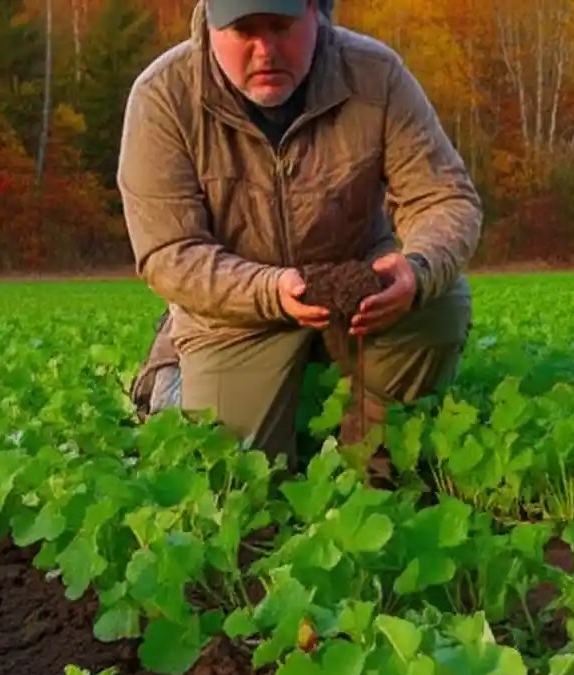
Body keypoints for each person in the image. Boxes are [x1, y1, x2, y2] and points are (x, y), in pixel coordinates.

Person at [117, 0, 480, 477]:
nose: (266, 50)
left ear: (315, 11)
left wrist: (416, 269)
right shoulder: (163, 95)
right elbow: (169, 253)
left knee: (441, 300)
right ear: (210, 21)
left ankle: (371, 448)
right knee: (234, 479)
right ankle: (169, 378)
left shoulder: (375, 74)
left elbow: (445, 198)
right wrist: (271, 290)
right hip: (236, 311)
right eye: (245, 30)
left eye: (281, 26)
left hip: (353, 290)